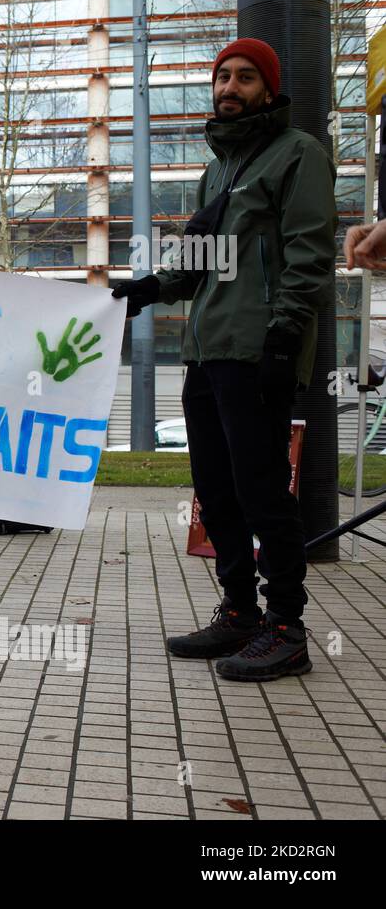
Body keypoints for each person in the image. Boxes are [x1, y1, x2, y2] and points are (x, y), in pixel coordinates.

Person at [112, 38, 335, 682]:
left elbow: (309, 253)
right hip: (207, 352)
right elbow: (201, 263)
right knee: (216, 490)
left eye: (243, 78)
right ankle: (239, 612)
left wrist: (285, 339)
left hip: (256, 348)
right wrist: (147, 289)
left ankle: (287, 628)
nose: (228, 88)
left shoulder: (298, 155)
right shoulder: (221, 170)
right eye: (221, 78)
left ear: (268, 88)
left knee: (264, 490)